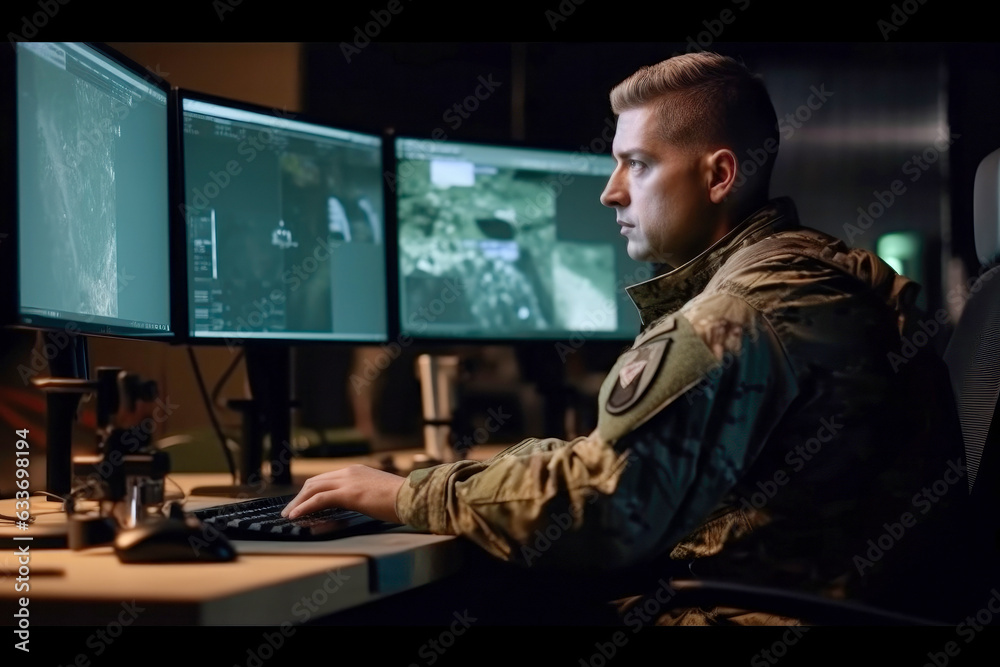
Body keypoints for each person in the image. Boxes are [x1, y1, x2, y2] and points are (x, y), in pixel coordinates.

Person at [282, 51, 965, 625]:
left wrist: (407, 493)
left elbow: (600, 506)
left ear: (719, 174)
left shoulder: (741, 309)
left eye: (636, 163)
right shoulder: (802, 266)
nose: (611, 191)